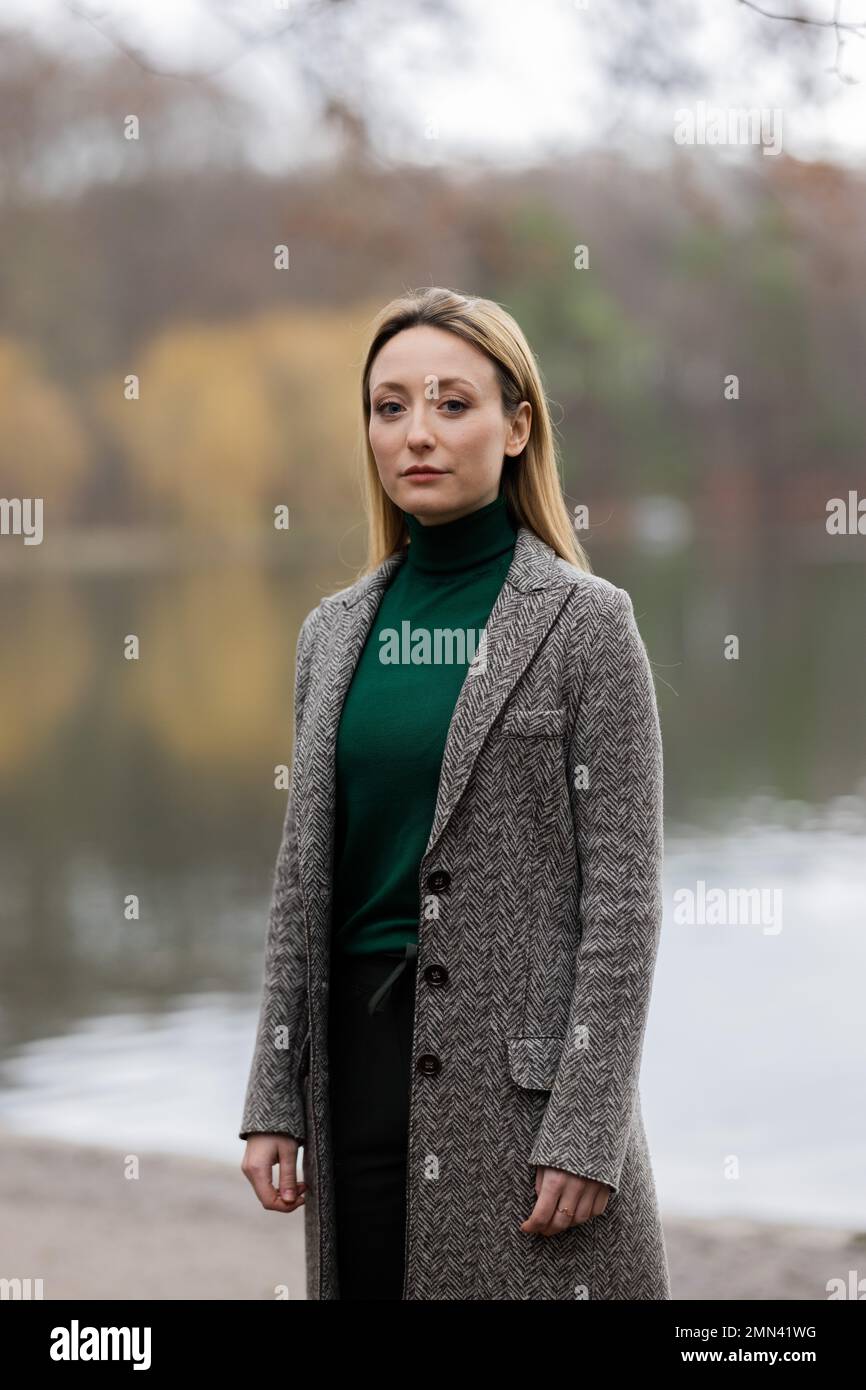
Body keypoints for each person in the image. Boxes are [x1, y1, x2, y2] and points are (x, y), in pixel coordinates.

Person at [240, 286, 670, 1300]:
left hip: (519, 1100)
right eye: (389, 408)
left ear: (517, 426)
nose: (415, 434)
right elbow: (303, 881)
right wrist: (275, 1093)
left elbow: (621, 903)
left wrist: (586, 1122)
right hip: (355, 1072)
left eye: (450, 403)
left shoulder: (586, 626)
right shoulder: (331, 632)